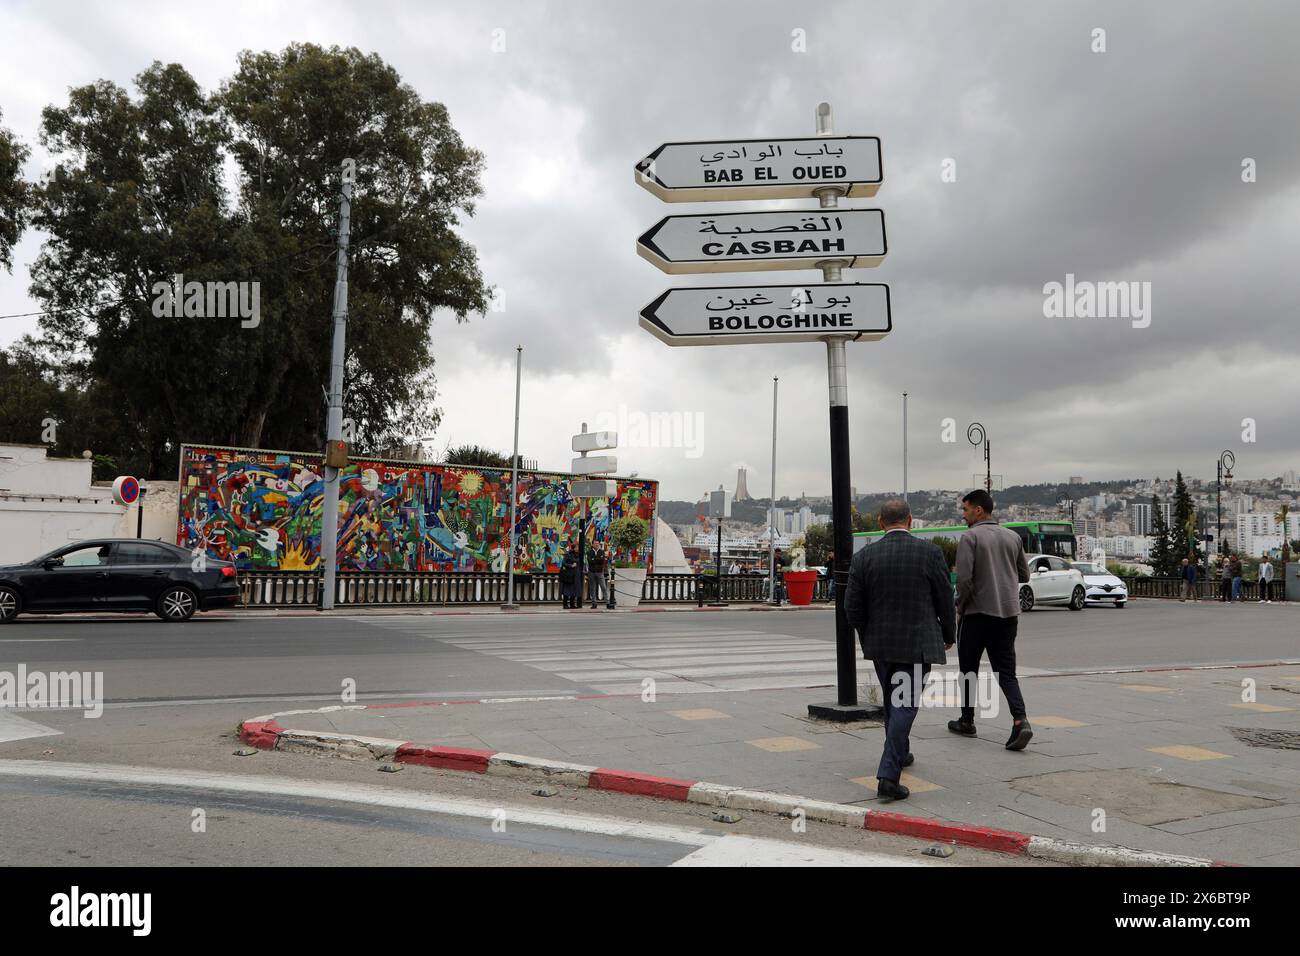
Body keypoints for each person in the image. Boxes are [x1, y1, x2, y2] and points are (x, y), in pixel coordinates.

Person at [845, 499, 955, 802]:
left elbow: (851, 607)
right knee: (904, 704)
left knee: (894, 704)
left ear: (881, 522)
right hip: (917, 643)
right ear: (909, 520)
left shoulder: (865, 556)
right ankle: (888, 774)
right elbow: (945, 597)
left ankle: (901, 752)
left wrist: (867, 636)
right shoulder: (929, 553)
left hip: (881, 644)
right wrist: (948, 633)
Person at [950, 489, 1033, 751]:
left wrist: (960, 606)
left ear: (978, 510)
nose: (963, 516)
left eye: (965, 510)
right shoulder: (1012, 537)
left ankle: (967, 720)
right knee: (1006, 672)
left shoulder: (970, 537)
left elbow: (964, 580)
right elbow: (1024, 575)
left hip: (976, 614)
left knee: (968, 669)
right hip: (1008, 615)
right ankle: (1020, 720)